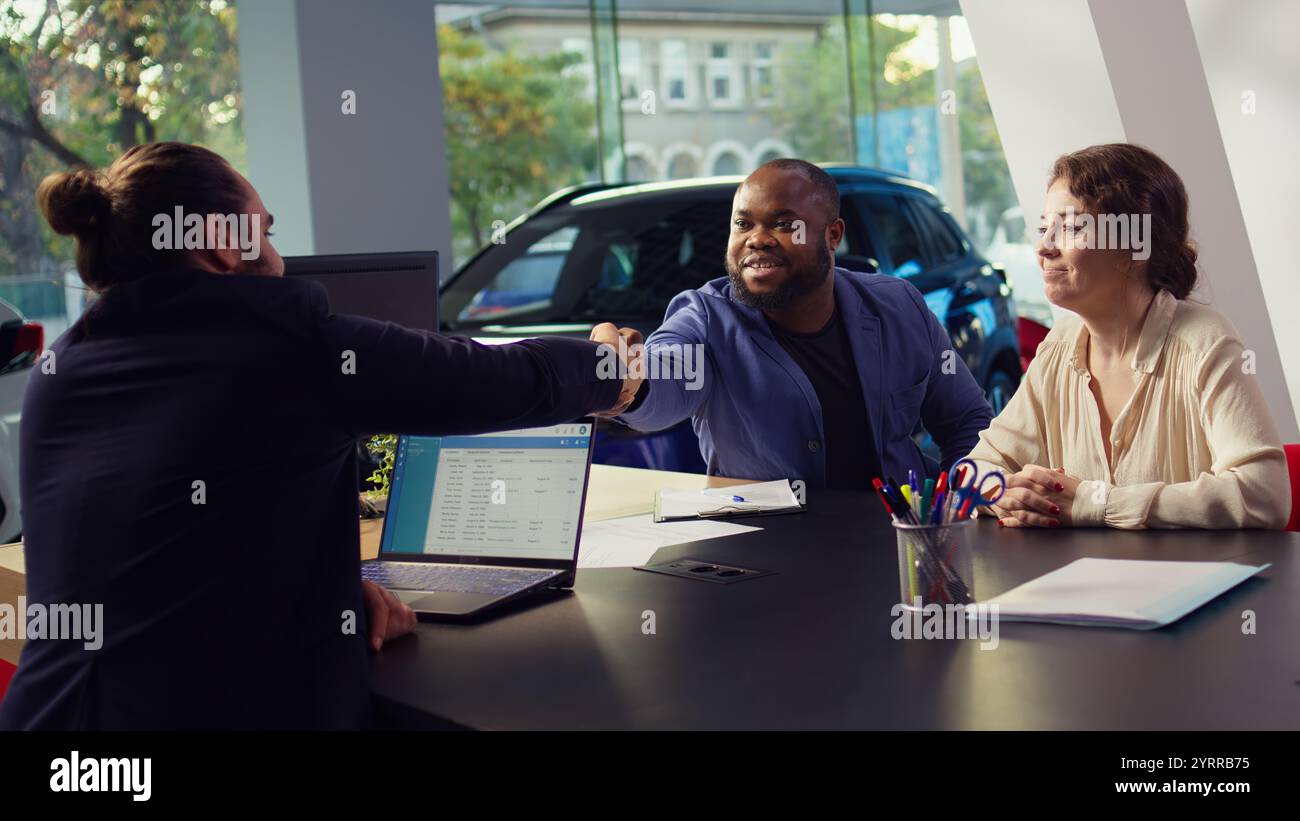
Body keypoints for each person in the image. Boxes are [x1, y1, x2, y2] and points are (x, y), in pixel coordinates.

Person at [0, 142, 638, 730]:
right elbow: (501, 380)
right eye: (266, 231)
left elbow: (147, 549)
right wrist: (606, 365)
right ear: (222, 242)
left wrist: (311, 589)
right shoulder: (286, 347)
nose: (278, 258)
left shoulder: (65, 368)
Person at [594, 159, 992, 490]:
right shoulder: (705, 319)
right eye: (743, 224)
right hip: (765, 547)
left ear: (833, 235)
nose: (757, 239)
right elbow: (668, 379)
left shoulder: (898, 306)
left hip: (899, 536)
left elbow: (966, 422)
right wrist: (630, 383)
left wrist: (968, 499)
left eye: (783, 224)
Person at [965, 143, 1289, 529]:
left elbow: (1264, 495)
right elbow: (972, 471)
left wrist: (1094, 502)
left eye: (1070, 228)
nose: (1044, 248)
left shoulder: (1204, 342)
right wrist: (1002, 492)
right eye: (1043, 228)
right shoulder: (1059, 346)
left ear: (1135, 247)